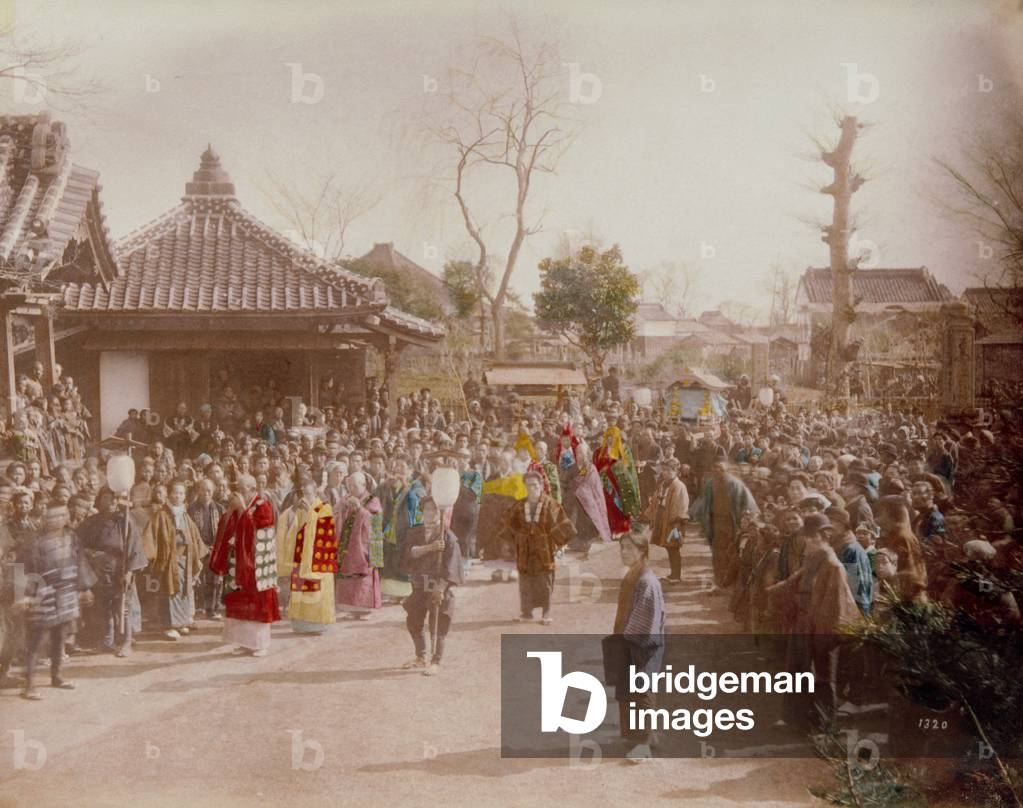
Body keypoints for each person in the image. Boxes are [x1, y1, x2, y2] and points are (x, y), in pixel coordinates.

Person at [18, 505, 95, 700]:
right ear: (45, 519)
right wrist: (23, 595)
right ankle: (29, 684)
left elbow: (80, 562)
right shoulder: (34, 541)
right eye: (52, 517)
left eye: (61, 516)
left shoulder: (72, 538)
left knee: (61, 636)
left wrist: (84, 587)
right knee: (37, 640)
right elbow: (21, 567)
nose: (56, 520)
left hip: (67, 593)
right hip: (42, 593)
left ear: (66, 517)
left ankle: (57, 675)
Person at [208, 474, 281, 657]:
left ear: (252, 489)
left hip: (256, 565)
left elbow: (259, 533)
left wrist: (241, 511)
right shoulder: (242, 505)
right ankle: (244, 643)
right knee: (240, 602)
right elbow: (228, 526)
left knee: (258, 603)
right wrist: (233, 512)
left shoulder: (262, 506)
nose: (238, 492)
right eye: (237, 489)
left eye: (242, 489)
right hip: (239, 563)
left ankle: (260, 644)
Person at [611, 532, 665, 763]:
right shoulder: (632, 575)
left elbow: (646, 618)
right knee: (629, 690)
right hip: (629, 639)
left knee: (642, 689)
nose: (625, 552)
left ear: (643, 551)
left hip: (642, 643)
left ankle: (643, 744)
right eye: (622, 548)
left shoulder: (646, 580)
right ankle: (645, 735)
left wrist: (628, 642)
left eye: (630, 548)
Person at [76, 487, 148, 657]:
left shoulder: (125, 521)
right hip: (98, 570)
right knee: (104, 606)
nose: (110, 502)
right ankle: (108, 640)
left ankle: (127, 641)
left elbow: (134, 548)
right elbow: (76, 542)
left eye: (113, 499)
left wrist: (129, 572)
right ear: (99, 500)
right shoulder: (91, 521)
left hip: (119, 569)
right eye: (106, 498)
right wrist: (90, 554)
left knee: (123, 606)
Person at [499, 470, 575, 625]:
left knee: (544, 581)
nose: (531, 489)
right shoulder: (520, 505)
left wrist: (557, 545)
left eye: (534, 485)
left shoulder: (550, 504)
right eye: (528, 486)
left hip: (544, 549)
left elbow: (564, 526)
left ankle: (546, 613)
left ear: (541, 486)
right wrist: (513, 542)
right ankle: (526, 613)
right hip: (525, 550)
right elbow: (507, 525)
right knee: (525, 581)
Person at [401, 498, 463, 675]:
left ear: (441, 513)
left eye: (435, 510)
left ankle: (436, 661)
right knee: (413, 621)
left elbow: (453, 568)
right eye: (427, 509)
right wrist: (430, 548)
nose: (431, 513)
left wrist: (441, 588)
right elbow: (409, 554)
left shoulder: (448, 537)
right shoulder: (415, 532)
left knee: (438, 625)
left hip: (438, 588)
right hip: (419, 586)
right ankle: (421, 657)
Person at [144, 482, 207, 640]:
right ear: (169, 495)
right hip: (169, 559)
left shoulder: (185, 515)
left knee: (184, 590)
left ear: (184, 496)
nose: (177, 496)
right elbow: (150, 536)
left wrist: (197, 554)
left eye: (181, 493)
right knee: (169, 590)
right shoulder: (161, 514)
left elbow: (194, 536)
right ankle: (168, 626)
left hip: (185, 559)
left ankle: (181, 622)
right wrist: (151, 556)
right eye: (175, 493)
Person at [276, 473, 338, 634]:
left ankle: (317, 624)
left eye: (309, 493)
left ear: (316, 492)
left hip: (317, 558)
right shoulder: (299, 509)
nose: (305, 496)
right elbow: (291, 527)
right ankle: (300, 623)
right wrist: (296, 511)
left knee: (315, 590)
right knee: (300, 590)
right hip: (301, 555)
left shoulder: (324, 507)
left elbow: (325, 533)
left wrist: (309, 511)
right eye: (303, 493)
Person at [690, 461, 759, 590]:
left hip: (732, 523)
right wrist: (693, 513)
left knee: (733, 551)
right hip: (716, 523)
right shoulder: (710, 484)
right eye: (715, 468)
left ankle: (731, 580)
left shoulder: (735, 484)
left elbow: (747, 503)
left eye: (721, 468)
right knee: (717, 552)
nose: (718, 471)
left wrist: (746, 518)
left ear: (726, 469)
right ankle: (719, 579)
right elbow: (702, 501)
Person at [336, 470, 384, 617]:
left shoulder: (373, 500)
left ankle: (364, 609)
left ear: (363, 485)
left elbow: (375, 522)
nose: (351, 489)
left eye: (354, 485)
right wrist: (342, 508)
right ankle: (350, 608)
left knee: (364, 575)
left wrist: (360, 509)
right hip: (348, 544)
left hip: (364, 544)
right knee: (348, 573)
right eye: (349, 485)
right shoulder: (346, 498)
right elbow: (335, 512)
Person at [642, 458, 689, 585]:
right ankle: (673, 573)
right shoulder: (663, 484)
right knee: (669, 547)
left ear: (676, 472)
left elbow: (681, 505)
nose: (665, 473)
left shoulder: (679, 486)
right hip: (663, 517)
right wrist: (648, 514)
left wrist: (675, 521)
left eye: (669, 471)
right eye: (664, 470)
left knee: (673, 546)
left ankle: (676, 575)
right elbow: (656, 501)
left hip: (674, 522)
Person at [188, 479, 225, 619]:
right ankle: (194, 609)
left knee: (213, 580)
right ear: (198, 491)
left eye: (209, 490)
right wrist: (200, 547)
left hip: (214, 548)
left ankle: (212, 610)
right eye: (203, 490)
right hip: (197, 548)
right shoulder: (191, 509)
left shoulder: (219, 508)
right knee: (194, 579)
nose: (206, 493)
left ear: (213, 491)